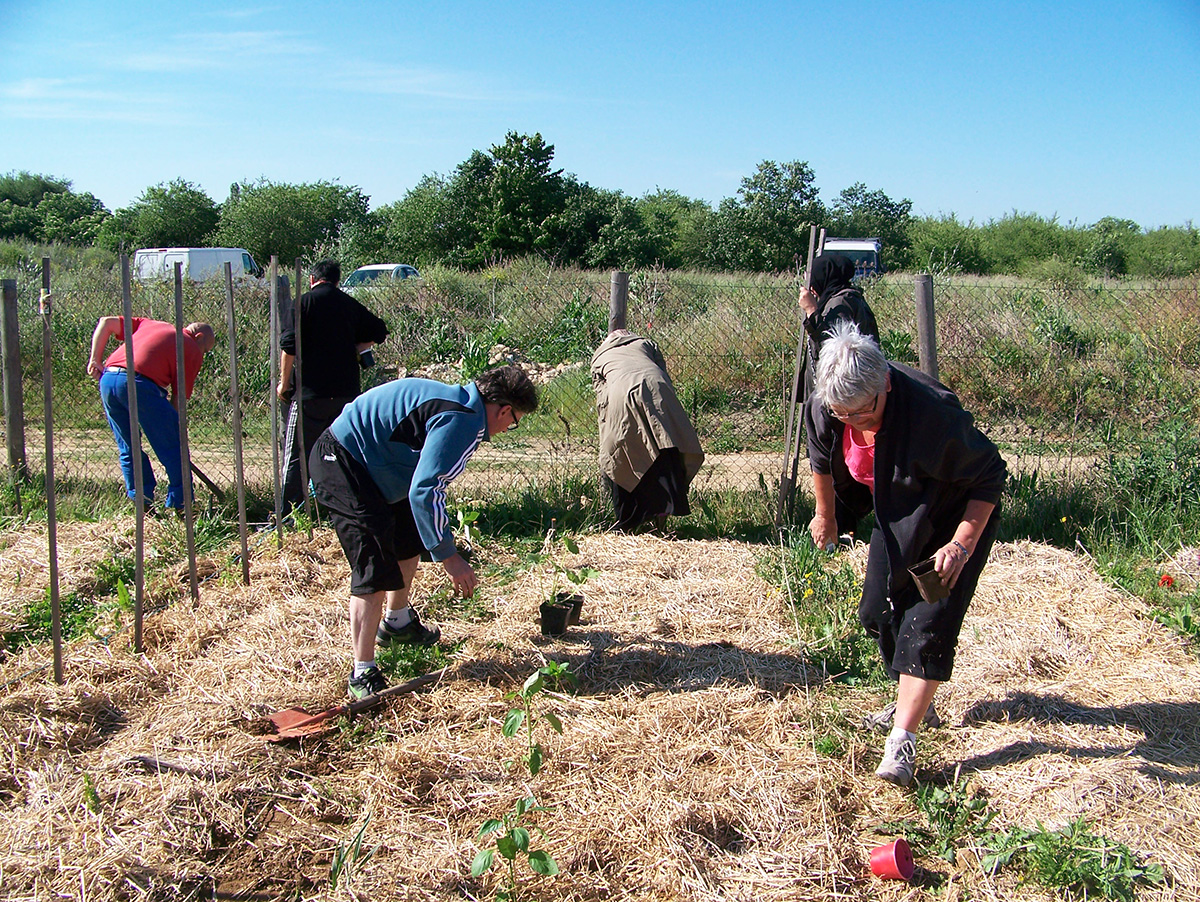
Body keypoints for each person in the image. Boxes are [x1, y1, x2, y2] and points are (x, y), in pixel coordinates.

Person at [804, 322, 1006, 787]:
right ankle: (918, 702)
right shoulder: (828, 406)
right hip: (898, 510)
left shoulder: (933, 415)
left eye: (864, 412)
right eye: (843, 414)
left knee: (927, 618)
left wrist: (960, 544)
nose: (855, 421)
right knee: (878, 610)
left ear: (886, 385)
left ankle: (903, 740)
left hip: (952, 512)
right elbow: (820, 459)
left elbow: (989, 476)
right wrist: (826, 516)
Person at [309, 365, 539, 699]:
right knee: (373, 565)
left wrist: (438, 540)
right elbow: (426, 489)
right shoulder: (464, 419)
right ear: (504, 409)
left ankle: (397, 622)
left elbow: (424, 488)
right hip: (343, 460)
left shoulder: (463, 405)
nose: (508, 428)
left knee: (408, 535)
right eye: (514, 421)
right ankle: (362, 672)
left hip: (374, 466)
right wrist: (450, 558)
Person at [277, 259, 389, 509]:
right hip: (344, 394)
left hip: (310, 395)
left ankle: (288, 511)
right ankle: (345, 507)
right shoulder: (348, 304)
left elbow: (289, 346)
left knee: (296, 453)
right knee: (342, 452)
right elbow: (379, 330)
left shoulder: (303, 302)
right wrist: (358, 347)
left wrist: (284, 384)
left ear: (312, 279)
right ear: (338, 281)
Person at [87, 316, 217, 513]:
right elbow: (179, 397)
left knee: (128, 446)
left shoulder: (152, 324)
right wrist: (173, 426)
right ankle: (180, 506)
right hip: (140, 385)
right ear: (198, 337)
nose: (203, 355)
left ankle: (141, 501)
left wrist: (95, 359)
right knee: (173, 447)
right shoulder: (190, 346)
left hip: (109, 379)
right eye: (205, 350)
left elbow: (106, 322)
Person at [798, 252, 881, 540]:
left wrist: (811, 313)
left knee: (836, 460)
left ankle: (841, 528)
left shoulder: (840, 303)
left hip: (845, 396)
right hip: (851, 395)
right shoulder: (847, 298)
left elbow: (832, 350)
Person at [591, 329, 704, 532]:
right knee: (665, 444)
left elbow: (602, 398)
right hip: (657, 386)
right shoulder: (647, 344)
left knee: (622, 454)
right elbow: (662, 369)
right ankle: (662, 518)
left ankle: (628, 523)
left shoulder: (599, 356)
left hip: (621, 393)